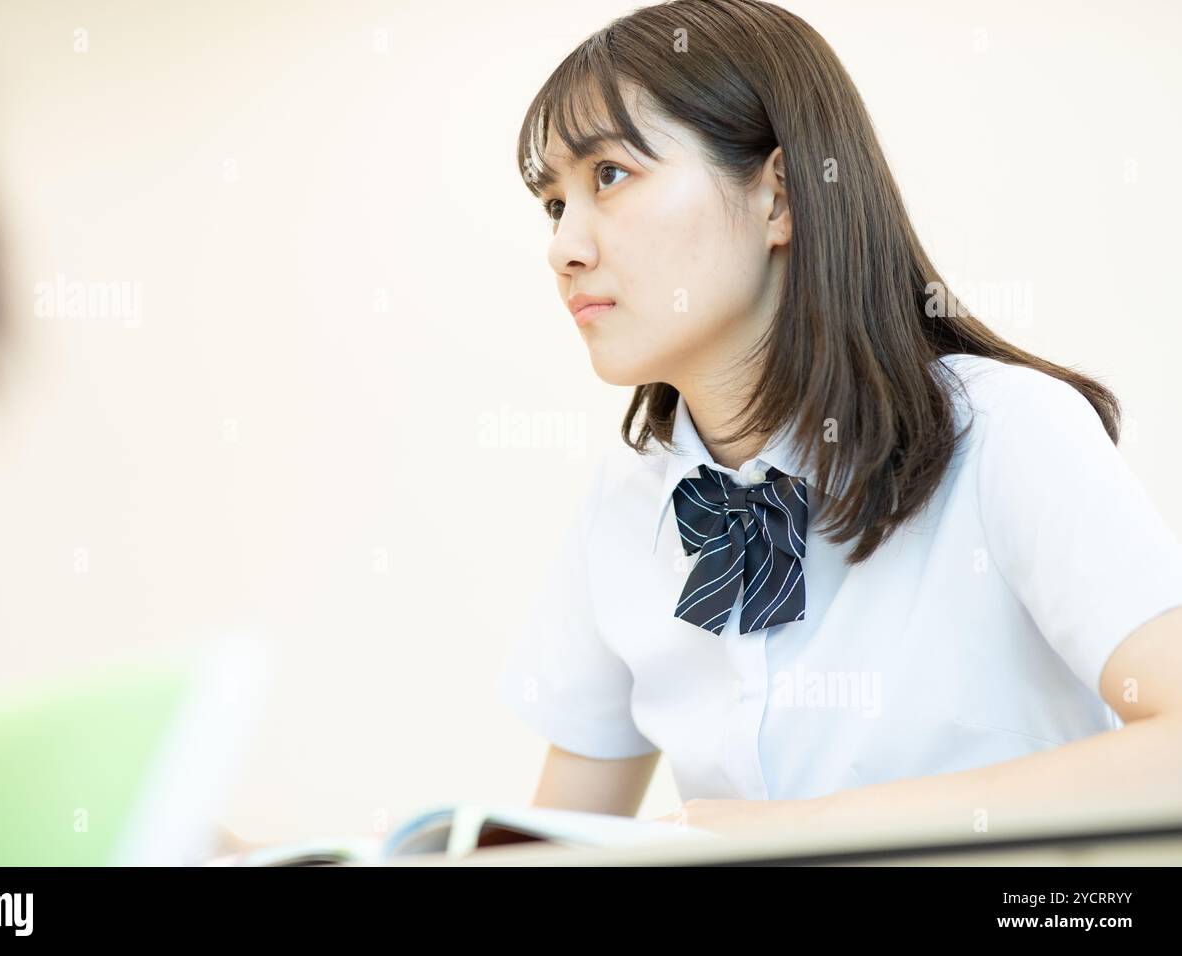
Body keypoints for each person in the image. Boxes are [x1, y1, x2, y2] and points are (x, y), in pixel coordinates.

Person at [496, 0, 1182, 836]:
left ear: (779, 196)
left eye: (609, 175)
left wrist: (803, 832)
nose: (563, 248)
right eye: (553, 204)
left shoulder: (1007, 430)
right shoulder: (625, 500)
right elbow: (558, 842)